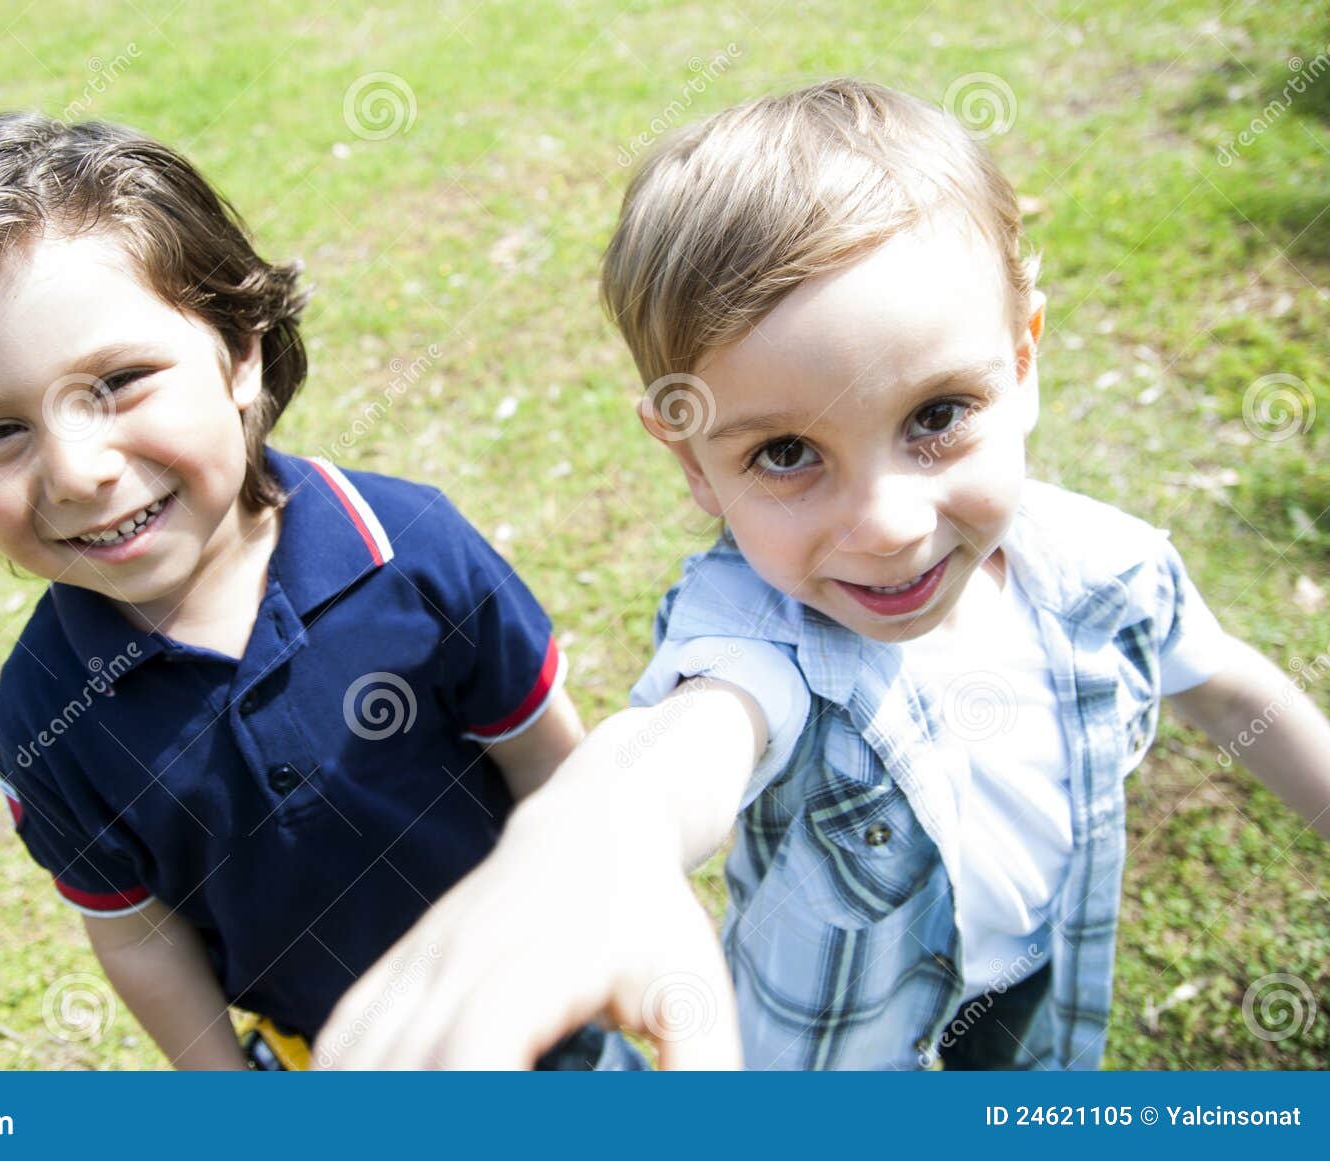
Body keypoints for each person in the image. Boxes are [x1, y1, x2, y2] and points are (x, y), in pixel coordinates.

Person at [314, 78, 1330, 1070]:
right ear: (692, 462)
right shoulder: (760, 642)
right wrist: (591, 835)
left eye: (936, 415)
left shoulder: (1110, 571)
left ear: (1022, 362)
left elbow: (1231, 690)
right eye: (787, 453)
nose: (887, 525)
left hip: (1040, 983)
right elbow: (681, 748)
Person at [0, 112, 644, 1070]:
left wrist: (602, 935)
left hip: (546, 1022)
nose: (78, 472)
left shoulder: (411, 552)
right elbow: (140, 936)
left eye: (118, 380)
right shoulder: (45, 710)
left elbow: (548, 762)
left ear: (241, 353)